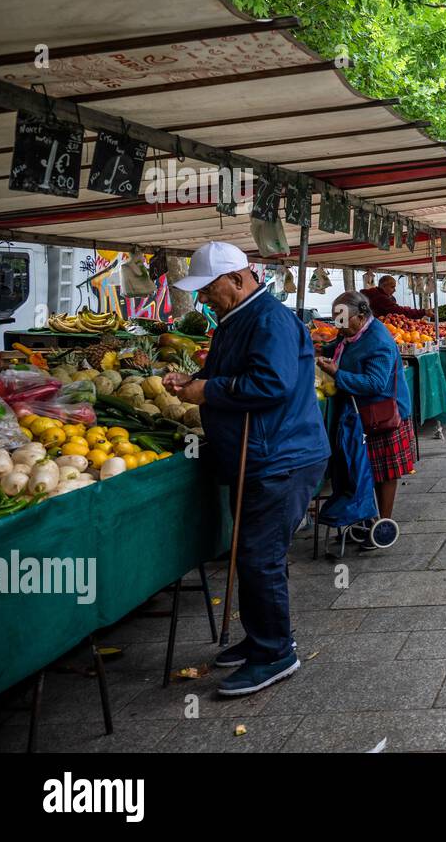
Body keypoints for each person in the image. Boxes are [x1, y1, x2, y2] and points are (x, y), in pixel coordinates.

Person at [164, 241, 328, 697]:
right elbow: (235, 374)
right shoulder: (239, 318)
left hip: (280, 456)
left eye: (208, 289)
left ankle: (276, 652)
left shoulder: (268, 319)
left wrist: (207, 392)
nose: (202, 299)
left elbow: (270, 384)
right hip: (260, 453)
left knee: (259, 555)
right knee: (253, 552)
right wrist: (196, 383)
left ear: (237, 279)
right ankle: (262, 637)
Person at [317, 291, 414, 520]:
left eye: (342, 320)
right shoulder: (352, 334)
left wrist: (337, 373)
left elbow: (375, 383)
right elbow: (342, 347)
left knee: (384, 472)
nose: (338, 326)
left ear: (360, 317)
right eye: (336, 320)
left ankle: (384, 521)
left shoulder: (378, 341)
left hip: (384, 412)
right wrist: (321, 349)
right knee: (366, 468)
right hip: (362, 411)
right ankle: (365, 515)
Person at [360, 274, 428, 319]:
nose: (394, 290)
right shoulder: (380, 297)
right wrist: (423, 312)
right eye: (392, 287)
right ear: (383, 286)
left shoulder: (372, 294)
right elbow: (397, 311)